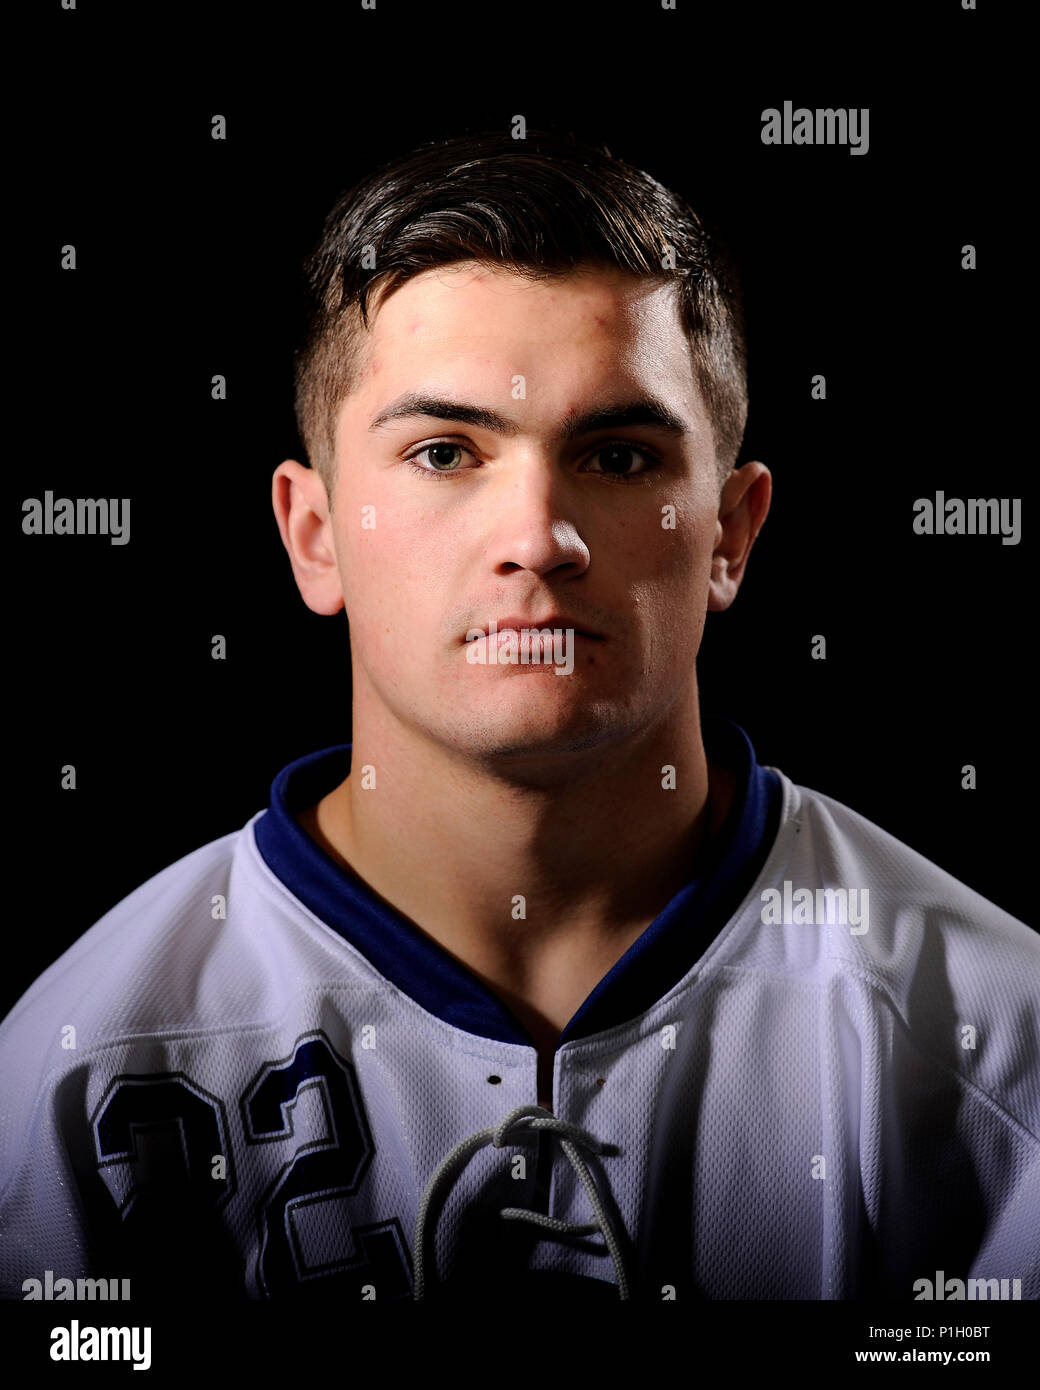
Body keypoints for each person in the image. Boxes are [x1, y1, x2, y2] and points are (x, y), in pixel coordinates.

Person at [1, 130, 1037, 1304]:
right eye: (444, 451)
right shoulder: (72, 1071)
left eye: (616, 454)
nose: (538, 535)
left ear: (731, 533)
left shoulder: (997, 1044)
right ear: (316, 533)